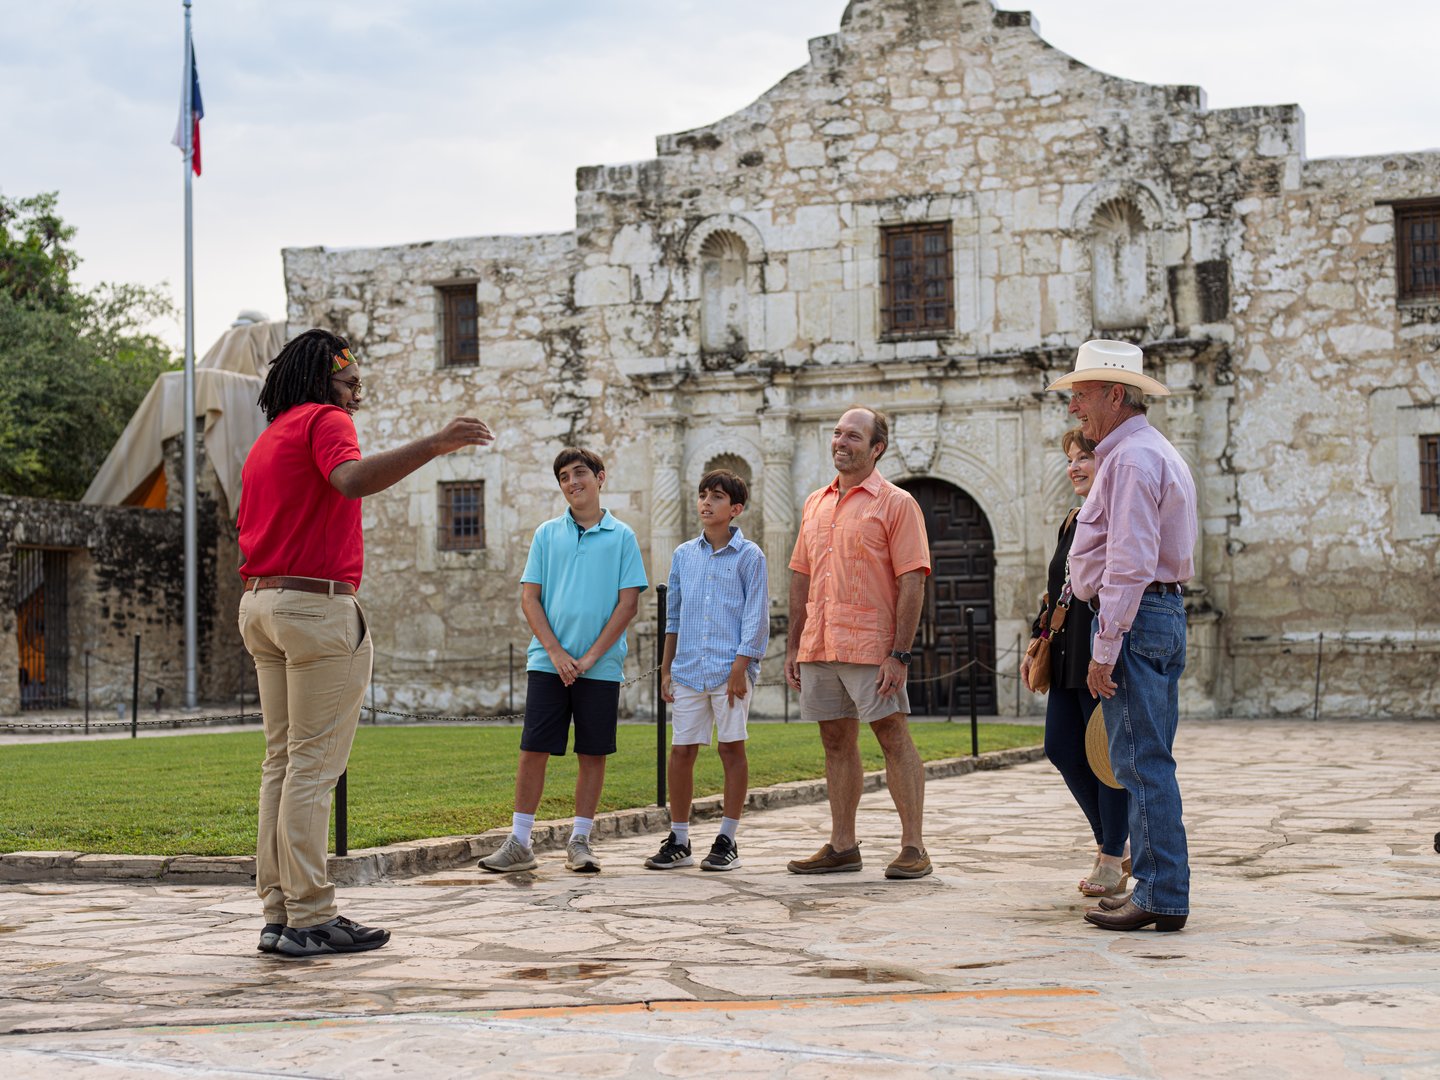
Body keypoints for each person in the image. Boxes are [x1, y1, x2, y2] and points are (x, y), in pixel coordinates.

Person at [238, 329, 493, 957]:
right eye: (349, 383)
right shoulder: (324, 421)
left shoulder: (266, 440)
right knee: (313, 769)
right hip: (314, 608)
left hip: (260, 604)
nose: (356, 397)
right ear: (322, 380)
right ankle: (312, 917)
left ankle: (279, 914)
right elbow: (350, 481)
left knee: (281, 764)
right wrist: (435, 444)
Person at [1046, 339, 1197, 933]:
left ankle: (1161, 892)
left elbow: (1129, 563)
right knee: (1144, 760)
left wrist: (1102, 649)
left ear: (1115, 394)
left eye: (1080, 395)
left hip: (1137, 620)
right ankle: (1158, 884)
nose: (1072, 407)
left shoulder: (1131, 461)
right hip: (1156, 616)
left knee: (1139, 762)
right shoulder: (1143, 452)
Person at [479, 448, 648, 875]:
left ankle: (580, 841)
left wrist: (590, 657)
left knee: (593, 752)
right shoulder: (546, 534)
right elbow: (529, 598)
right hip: (547, 663)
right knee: (533, 748)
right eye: (563, 477)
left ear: (600, 477)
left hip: (601, 667)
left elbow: (628, 605)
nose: (572, 482)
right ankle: (519, 843)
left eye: (579, 473)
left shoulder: (622, 536)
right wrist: (555, 652)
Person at [784, 406, 933, 880]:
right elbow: (800, 577)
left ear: (877, 448)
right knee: (834, 741)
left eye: (853, 436)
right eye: (836, 433)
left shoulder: (896, 503)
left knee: (892, 735)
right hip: (819, 643)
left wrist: (900, 653)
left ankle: (914, 846)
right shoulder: (814, 503)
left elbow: (913, 580)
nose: (840, 442)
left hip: (871, 646)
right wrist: (793, 646)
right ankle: (843, 845)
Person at [1021, 429, 1130, 897]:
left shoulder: (1116, 513)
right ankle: (1115, 845)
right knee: (1062, 747)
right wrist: (1039, 637)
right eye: (1071, 459)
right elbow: (1059, 587)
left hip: (1100, 649)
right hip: (1067, 649)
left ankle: (1110, 855)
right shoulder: (1072, 519)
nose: (1075, 467)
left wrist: (1108, 648)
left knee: (1103, 756)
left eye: (1085, 457)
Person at [646, 470, 769, 872]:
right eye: (702, 496)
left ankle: (727, 838)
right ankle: (679, 838)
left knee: (731, 748)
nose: (706, 503)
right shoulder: (683, 555)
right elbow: (674, 616)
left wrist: (741, 667)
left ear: (735, 509)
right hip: (687, 670)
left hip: (729, 671)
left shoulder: (750, 556)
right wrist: (666, 670)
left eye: (716, 497)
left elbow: (756, 616)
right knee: (681, 751)